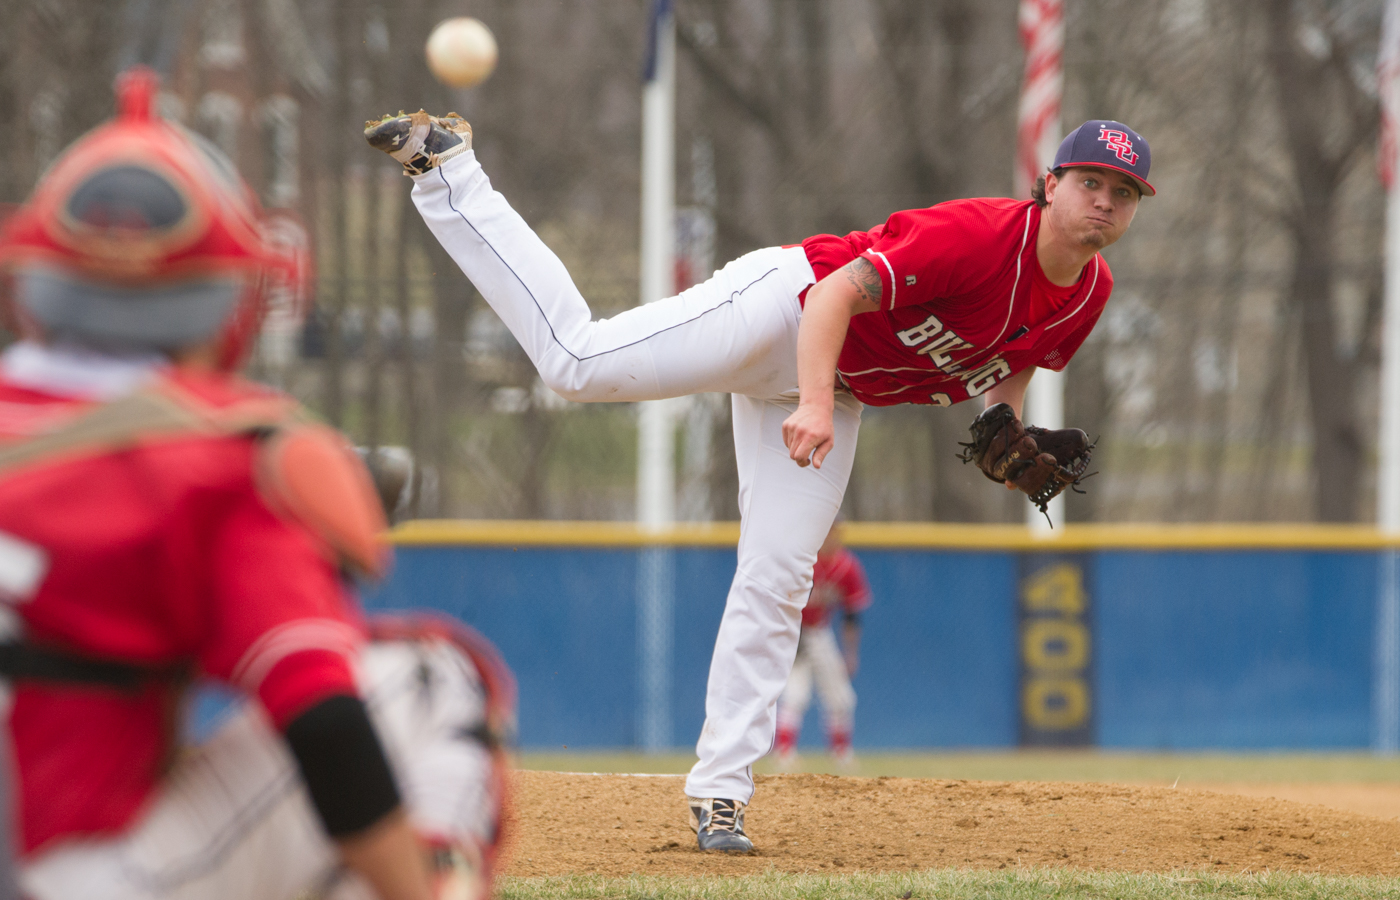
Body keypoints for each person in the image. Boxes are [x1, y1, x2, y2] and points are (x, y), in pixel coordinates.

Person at [366, 109, 1151, 852]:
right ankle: (447, 170)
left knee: (780, 573)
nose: (1103, 202)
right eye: (1090, 182)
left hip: (838, 390)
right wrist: (810, 400)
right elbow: (840, 291)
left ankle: (721, 793)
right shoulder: (978, 236)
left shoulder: (1089, 293)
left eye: (1123, 194)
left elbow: (1013, 361)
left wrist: (1002, 425)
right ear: (1051, 184)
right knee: (578, 363)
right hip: (787, 308)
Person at [0, 68, 513, 900]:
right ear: (226, 299)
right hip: (65, 877)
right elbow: (325, 721)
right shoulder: (220, 453)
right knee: (431, 675)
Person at [773, 521, 871, 771]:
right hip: (794, 632)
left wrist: (851, 653)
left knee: (841, 697)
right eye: (828, 529)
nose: (832, 535)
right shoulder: (803, 561)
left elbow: (852, 614)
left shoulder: (847, 566)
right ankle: (784, 753)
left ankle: (841, 752)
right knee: (795, 695)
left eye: (836, 530)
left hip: (819, 633)